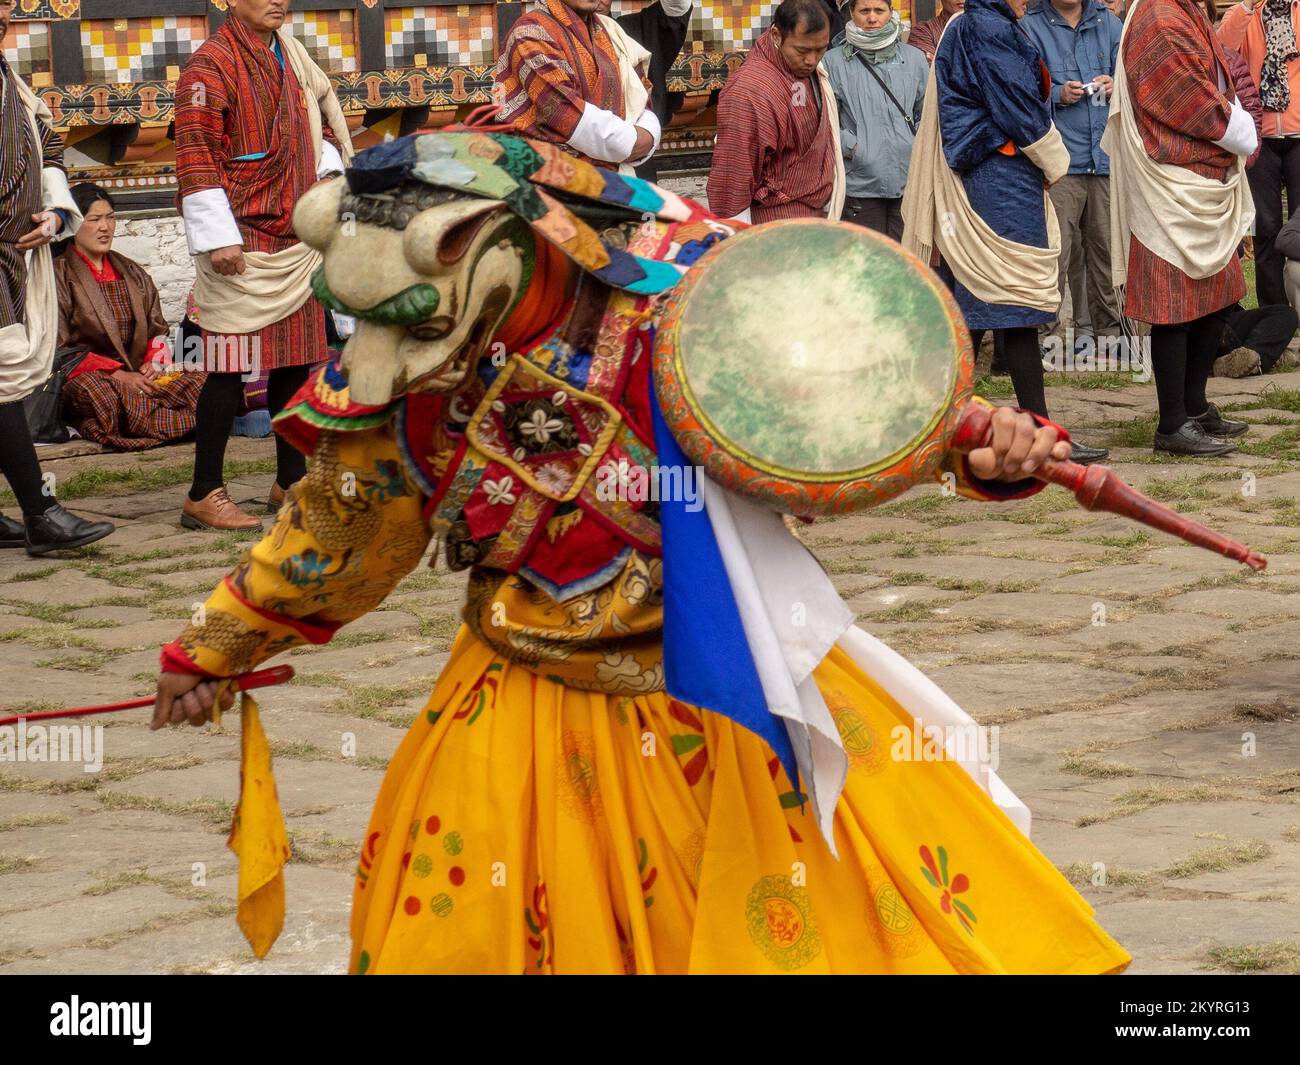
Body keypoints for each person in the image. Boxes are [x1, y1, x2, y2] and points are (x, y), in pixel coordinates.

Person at [151, 128, 1130, 975]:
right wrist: (215, 647)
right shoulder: (404, 390)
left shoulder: (693, 315)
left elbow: (853, 421)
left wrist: (980, 455)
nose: (390, 356)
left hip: (712, 692)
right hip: (515, 698)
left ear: (502, 240)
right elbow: (340, 531)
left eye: (412, 325)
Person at [901, 0, 1110, 464]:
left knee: (976, 302)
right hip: (998, 175)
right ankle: (1035, 432)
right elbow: (1018, 106)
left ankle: (936, 427)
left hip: (995, 174)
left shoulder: (987, 24)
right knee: (1012, 301)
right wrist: (1053, 158)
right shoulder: (985, 28)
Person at [174, 0, 351, 531]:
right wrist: (217, 237)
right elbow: (196, 152)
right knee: (228, 366)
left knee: (297, 363)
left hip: (296, 234)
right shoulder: (209, 66)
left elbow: (320, 126)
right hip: (239, 237)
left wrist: (326, 183)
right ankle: (204, 492)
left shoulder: (293, 56)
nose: (279, 2)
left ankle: (289, 481)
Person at [1103, 0, 1255, 455]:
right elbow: (1183, 94)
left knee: (1218, 297)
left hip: (1203, 174)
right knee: (1175, 306)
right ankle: (1171, 424)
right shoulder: (1159, 15)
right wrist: (1236, 126)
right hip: (1168, 178)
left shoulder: (1183, 8)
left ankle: (1194, 405)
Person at [0, 0, 114, 556]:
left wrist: (53, 211)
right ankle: (41, 514)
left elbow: (47, 146)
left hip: (16, 252)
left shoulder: (14, 86)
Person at [54, 184, 204, 450]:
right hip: (90, 376)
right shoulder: (59, 275)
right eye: (94, 219)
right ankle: (169, 421)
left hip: (138, 374)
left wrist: (153, 362)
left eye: (110, 217)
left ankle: (140, 421)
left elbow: (157, 329)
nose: (105, 227)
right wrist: (118, 375)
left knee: (201, 380)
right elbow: (60, 349)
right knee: (99, 394)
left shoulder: (131, 271)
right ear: (75, 224)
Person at [1020, 0, 1125, 352]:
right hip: (1058, 163)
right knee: (1054, 254)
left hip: (1105, 157)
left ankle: (1109, 338)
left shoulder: (1108, 22)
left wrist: (1116, 84)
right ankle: (1046, 341)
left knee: (1107, 254)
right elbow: (1022, 89)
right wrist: (1057, 94)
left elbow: (1131, 75)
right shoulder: (1031, 25)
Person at [707, 0, 846, 223]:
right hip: (774, 223)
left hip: (815, 215)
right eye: (802, 50)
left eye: (820, 49)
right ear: (775, 35)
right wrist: (738, 239)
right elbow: (733, 175)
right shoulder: (749, 91)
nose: (811, 60)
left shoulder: (804, 71)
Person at [494, 0, 661, 172]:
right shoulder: (530, 31)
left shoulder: (609, 31)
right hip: (544, 180)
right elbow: (563, 112)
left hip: (610, 176)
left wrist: (650, 133)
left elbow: (639, 92)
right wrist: (635, 142)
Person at [822, 0, 928, 240]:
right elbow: (825, 120)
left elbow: (929, 113)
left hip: (909, 180)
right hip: (860, 183)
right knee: (868, 263)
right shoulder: (833, 62)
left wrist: (914, 144)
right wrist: (855, 148)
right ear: (851, 13)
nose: (872, 18)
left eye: (879, 11)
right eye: (864, 11)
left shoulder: (914, 59)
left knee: (906, 263)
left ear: (891, 13)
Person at [1219, 0, 1300, 307]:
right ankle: (1275, 312)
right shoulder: (1245, 13)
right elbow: (1223, 48)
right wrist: (1246, 8)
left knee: (1299, 228)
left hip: (1299, 135)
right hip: (1259, 137)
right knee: (1265, 228)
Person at [593, 0, 693, 182]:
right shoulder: (549, 39)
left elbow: (675, 8)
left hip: (636, 159)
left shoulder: (633, 31)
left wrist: (648, 131)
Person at [1212, 301, 1298, 375]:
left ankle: (1252, 357)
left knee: (1286, 313)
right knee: (1216, 329)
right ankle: (1266, 357)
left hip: (1225, 318)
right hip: (1206, 325)